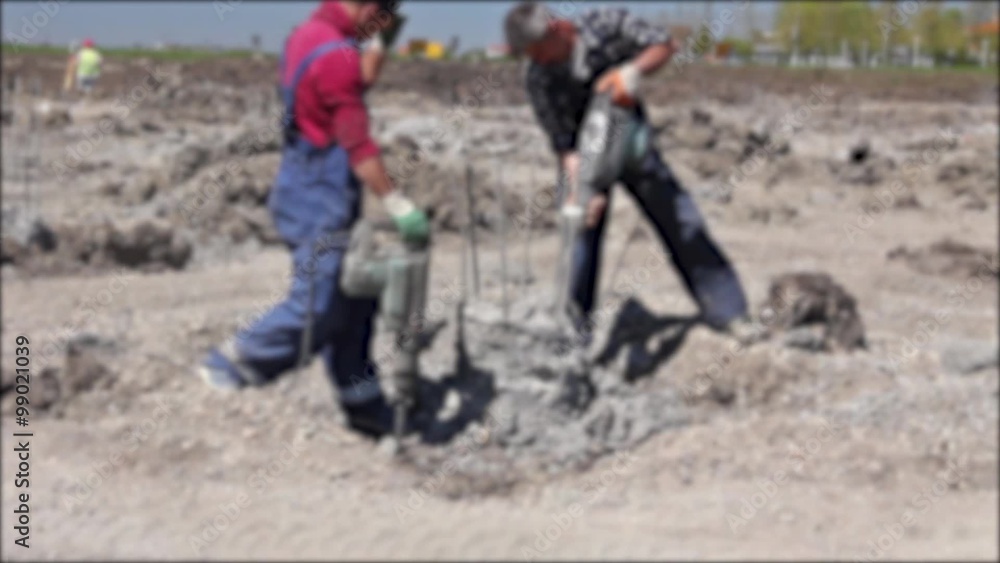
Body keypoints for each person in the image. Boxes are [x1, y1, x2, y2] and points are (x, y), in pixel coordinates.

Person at [197, 0, 427, 439]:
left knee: (355, 299)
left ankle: (363, 404)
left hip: (307, 179)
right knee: (319, 304)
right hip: (317, 194)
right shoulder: (336, 56)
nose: (383, 29)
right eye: (382, 18)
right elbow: (359, 145)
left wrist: (376, 43)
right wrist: (399, 205)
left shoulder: (308, 35)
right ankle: (232, 365)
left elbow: (351, 86)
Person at [504, 2, 757, 343]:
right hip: (585, 156)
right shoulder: (538, 78)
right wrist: (583, 192)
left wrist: (632, 72)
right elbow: (565, 147)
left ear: (560, 30)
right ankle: (575, 335)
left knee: (681, 221)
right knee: (580, 235)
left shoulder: (606, 25)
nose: (538, 61)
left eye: (540, 52)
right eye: (529, 55)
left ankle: (728, 312)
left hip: (631, 144)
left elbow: (663, 45)